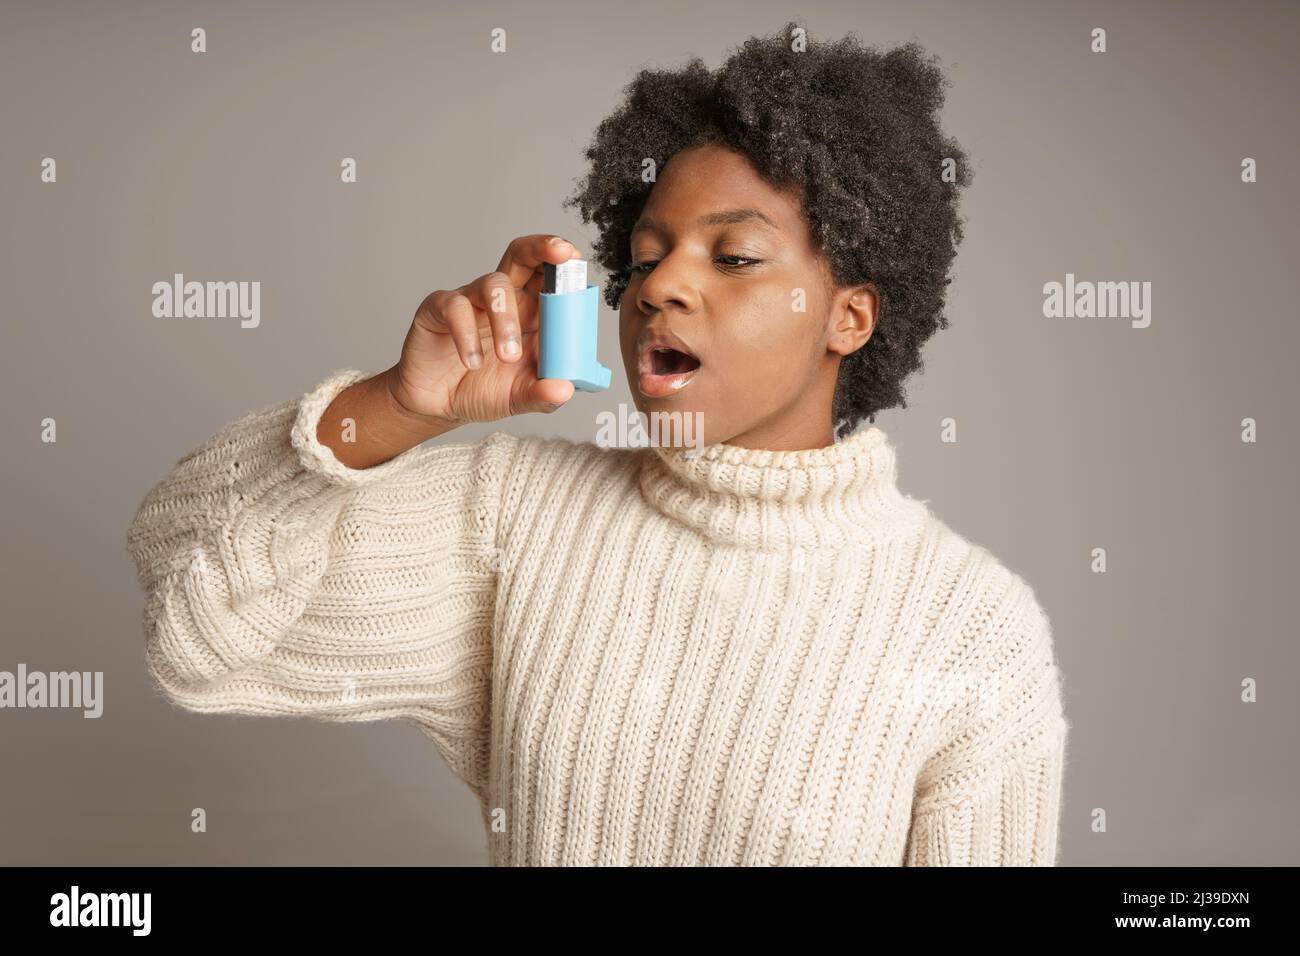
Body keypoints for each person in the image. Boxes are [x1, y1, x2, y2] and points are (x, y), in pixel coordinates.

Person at [126, 23, 1070, 866]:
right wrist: (400, 406)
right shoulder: (519, 518)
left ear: (850, 316)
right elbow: (196, 619)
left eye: (733, 256)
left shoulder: (971, 627)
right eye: (645, 259)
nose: (659, 289)